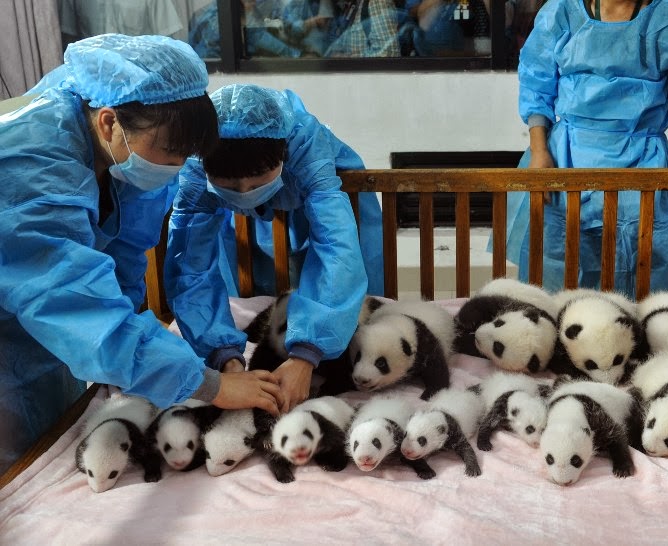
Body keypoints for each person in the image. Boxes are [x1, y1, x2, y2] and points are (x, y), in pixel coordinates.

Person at [0, 34, 283, 475]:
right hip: (25, 324)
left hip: (39, 330)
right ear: (109, 122)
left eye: (185, 156)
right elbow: (74, 303)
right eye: (171, 154)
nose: (175, 168)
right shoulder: (30, 162)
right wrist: (210, 386)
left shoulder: (126, 152)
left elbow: (124, 258)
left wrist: (138, 356)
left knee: (48, 435)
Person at [165, 84, 384, 412]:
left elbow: (337, 248)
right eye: (229, 185)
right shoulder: (196, 163)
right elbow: (189, 266)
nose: (244, 192)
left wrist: (306, 356)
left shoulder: (305, 142)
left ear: (283, 154)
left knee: (355, 293)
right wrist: (225, 360)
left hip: (326, 195)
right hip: (258, 211)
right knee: (256, 282)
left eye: (256, 182)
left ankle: (322, 343)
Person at [503, 0, 668, 298]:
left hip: (643, 160)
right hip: (567, 157)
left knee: (639, 271)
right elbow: (537, 86)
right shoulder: (562, 13)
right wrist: (539, 152)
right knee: (557, 268)